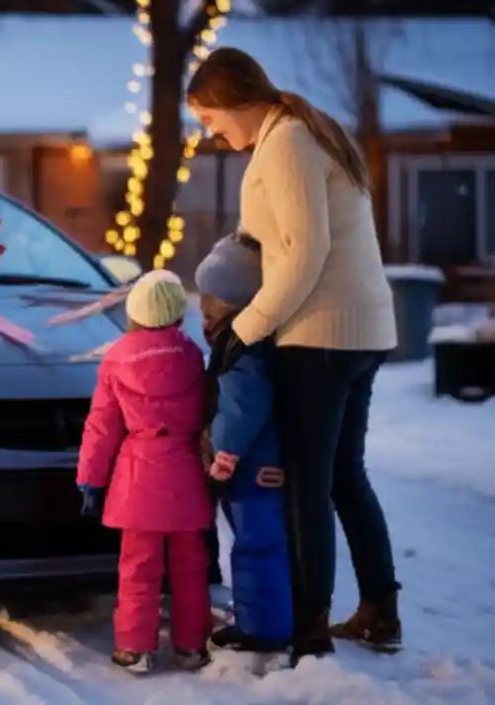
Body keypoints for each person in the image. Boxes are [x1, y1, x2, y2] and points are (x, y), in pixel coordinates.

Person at [186, 47, 402, 663]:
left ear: (232, 101)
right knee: (341, 476)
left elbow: (304, 254)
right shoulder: (309, 132)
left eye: (207, 117)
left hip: (322, 335)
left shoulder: (286, 143)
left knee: (307, 486)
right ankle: (380, 609)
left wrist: (244, 329)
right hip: (358, 329)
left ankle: (309, 631)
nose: (211, 132)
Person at [76, 270, 213, 675]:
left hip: (138, 478)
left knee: (138, 567)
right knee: (191, 567)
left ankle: (135, 648)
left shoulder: (117, 359)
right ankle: (191, 646)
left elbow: (102, 425)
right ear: (177, 316)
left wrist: (91, 478)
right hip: (186, 474)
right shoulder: (192, 356)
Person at [196, 234, 293, 657]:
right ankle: (266, 619)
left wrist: (221, 451)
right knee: (263, 542)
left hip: (253, 464)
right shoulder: (257, 338)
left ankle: (263, 629)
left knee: (257, 544)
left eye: (208, 309)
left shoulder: (242, 350)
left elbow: (240, 408)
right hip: (262, 459)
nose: (202, 320)